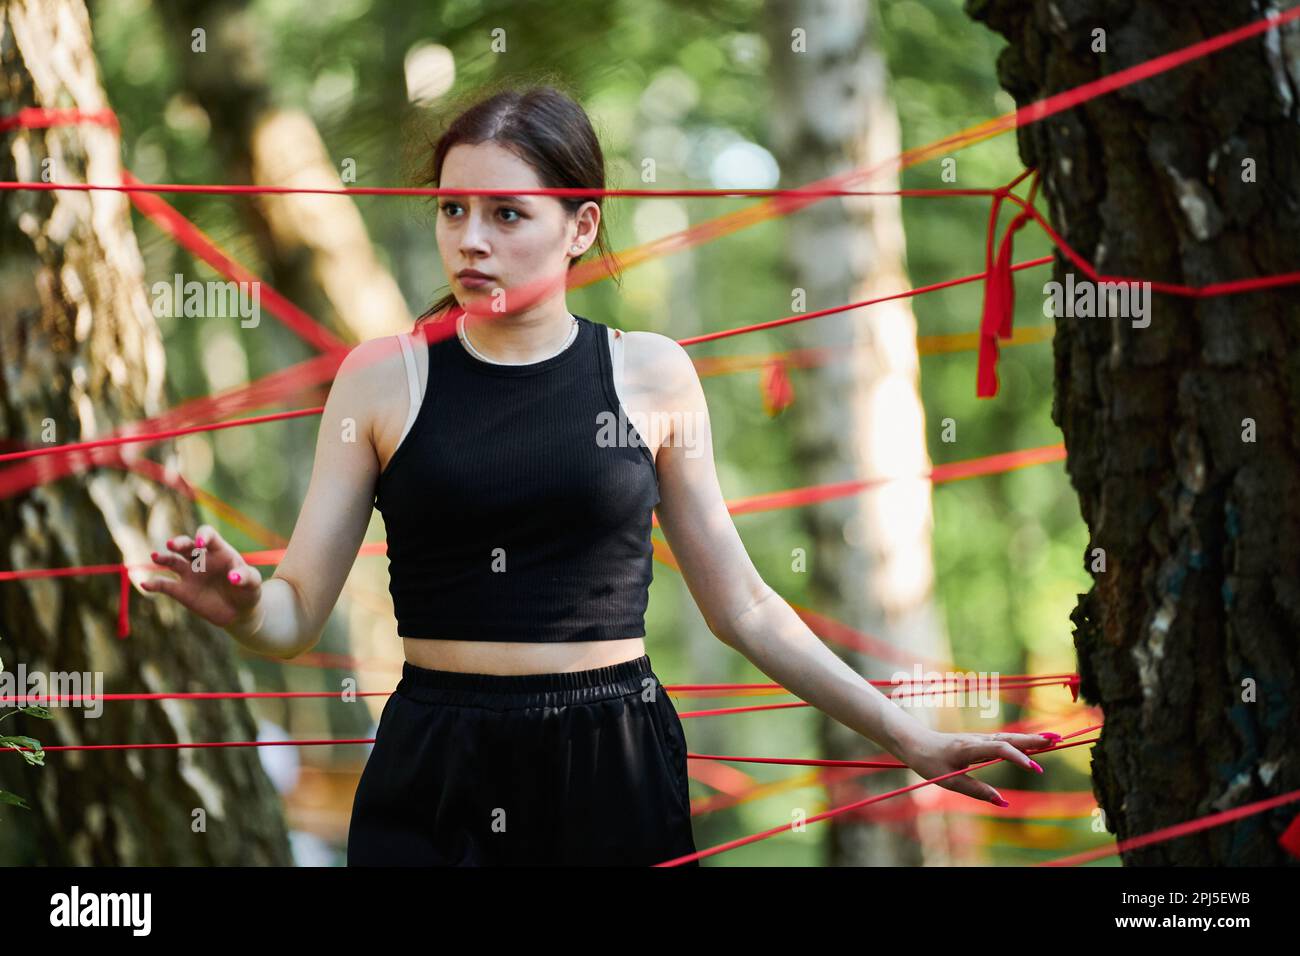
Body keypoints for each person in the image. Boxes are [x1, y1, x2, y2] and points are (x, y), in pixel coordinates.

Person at [141, 83, 1056, 867]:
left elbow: (742, 607)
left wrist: (905, 733)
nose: (470, 240)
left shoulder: (651, 373)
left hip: (610, 757)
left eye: (507, 214)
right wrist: (246, 607)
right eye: (452, 209)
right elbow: (294, 613)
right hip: (435, 756)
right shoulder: (383, 376)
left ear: (582, 225)